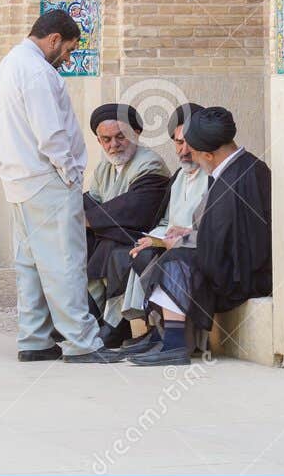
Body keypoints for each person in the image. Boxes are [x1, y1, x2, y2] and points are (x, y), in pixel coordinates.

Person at [0, 9, 112, 364]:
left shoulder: (10, 64)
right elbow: (50, 133)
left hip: (19, 179)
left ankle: (35, 339)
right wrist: (71, 172)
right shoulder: (37, 71)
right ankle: (81, 342)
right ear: (54, 39)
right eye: (69, 50)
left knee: (30, 262)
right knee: (64, 262)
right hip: (47, 179)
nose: (68, 58)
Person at [118, 106, 271, 367]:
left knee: (175, 260)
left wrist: (177, 243)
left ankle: (175, 343)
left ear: (208, 155)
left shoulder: (236, 178)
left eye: (196, 154)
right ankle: (162, 335)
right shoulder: (238, 168)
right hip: (234, 261)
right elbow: (222, 232)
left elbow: (225, 241)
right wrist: (191, 233)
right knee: (162, 255)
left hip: (244, 274)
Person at [107, 103, 209, 334]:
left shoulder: (211, 177)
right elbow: (165, 222)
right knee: (128, 251)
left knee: (152, 256)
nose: (184, 151)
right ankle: (147, 330)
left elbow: (209, 228)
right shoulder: (179, 177)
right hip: (168, 240)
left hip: (193, 246)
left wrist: (164, 242)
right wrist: (154, 238)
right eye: (178, 142)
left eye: (189, 143)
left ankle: (168, 337)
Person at [82, 102, 172, 342]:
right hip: (115, 234)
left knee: (113, 245)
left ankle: (114, 325)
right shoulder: (104, 168)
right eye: (106, 139)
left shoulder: (149, 163)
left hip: (143, 236)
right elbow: (91, 202)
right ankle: (91, 317)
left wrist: (91, 219)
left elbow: (136, 210)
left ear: (137, 133)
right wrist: (88, 217)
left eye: (121, 136)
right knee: (80, 240)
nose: (114, 145)